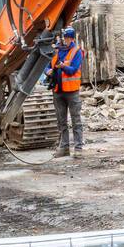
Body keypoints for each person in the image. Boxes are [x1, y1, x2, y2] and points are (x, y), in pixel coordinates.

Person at [47, 27, 84, 157]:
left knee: (76, 120)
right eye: (64, 38)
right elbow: (47, 65)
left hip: (71, 91)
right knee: (61, 121)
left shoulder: (76, 51)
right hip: (58, 90)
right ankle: (64, 148)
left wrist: (63, 66)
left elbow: (73, 70)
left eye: (68, 38)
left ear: (72, 38)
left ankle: (78, 148)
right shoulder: (56, 50)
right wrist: (48, 71)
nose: (65, 40)